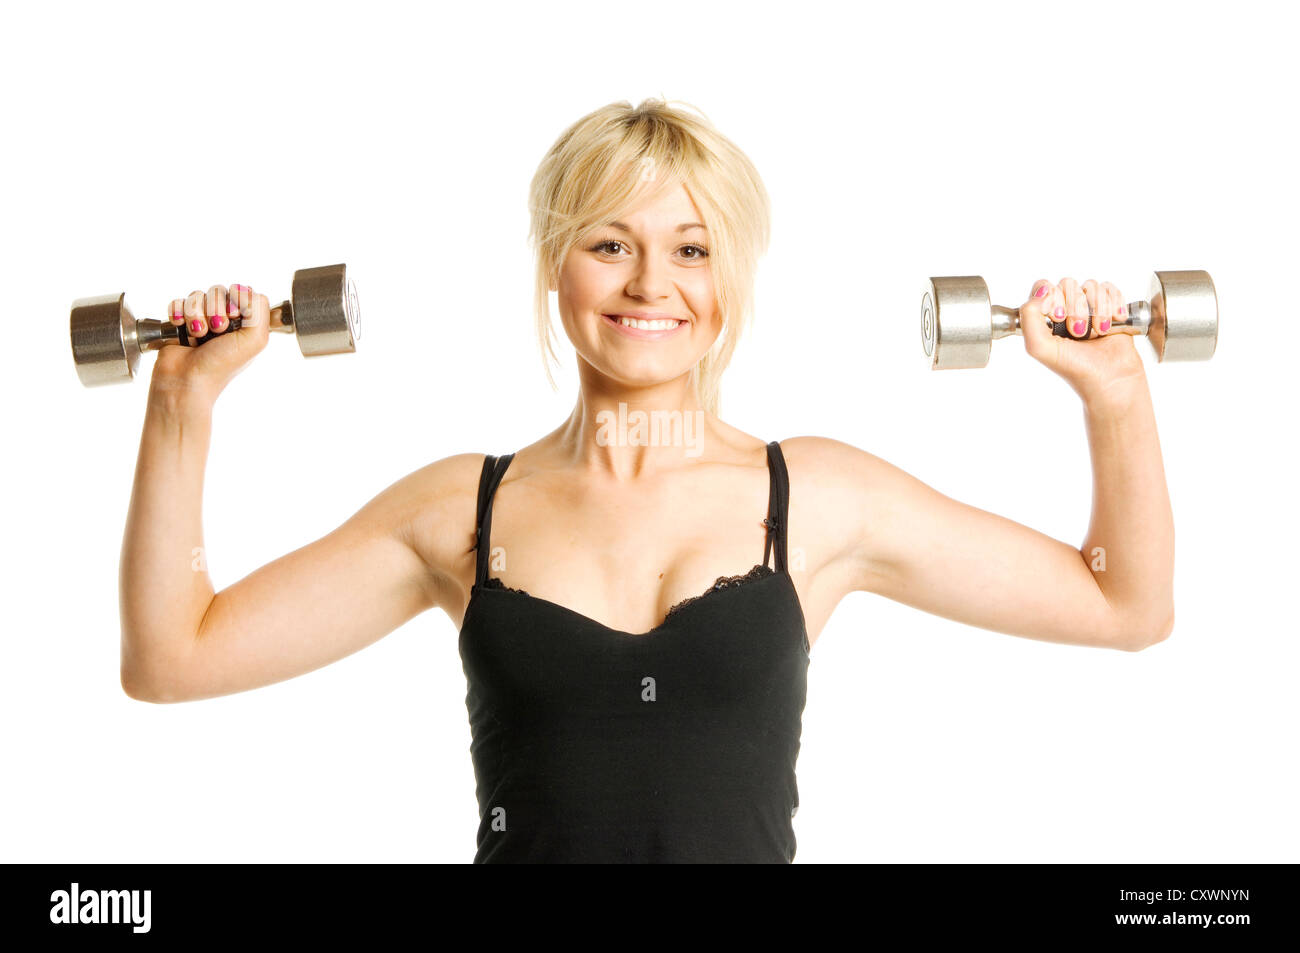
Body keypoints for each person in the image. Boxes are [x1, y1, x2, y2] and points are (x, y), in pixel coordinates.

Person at [119, 98, 1175, 863]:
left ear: (732, 278)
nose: (649, 286)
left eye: (692, 249)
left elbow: (1121, 601)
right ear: (553, 261)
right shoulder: (458, 510)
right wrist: (183, 401)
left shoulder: (813, 500)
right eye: (609, 243)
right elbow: (173, 655)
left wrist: (1114, 393)